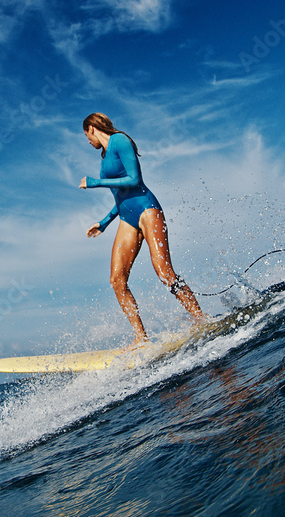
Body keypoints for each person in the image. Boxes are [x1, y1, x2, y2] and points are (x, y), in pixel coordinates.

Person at [79, 112, 207, 349]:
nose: (88, 141)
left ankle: (201, 319)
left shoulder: (120, 141)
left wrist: (96, 183)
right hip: (126, 218)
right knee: (117, 280)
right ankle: (141, 338)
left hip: (147, 209)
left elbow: (134, 180)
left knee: (164, 273)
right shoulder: (105, 155)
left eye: (86, 135)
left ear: (92, 128)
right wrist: (105, 222)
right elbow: (120, 197)